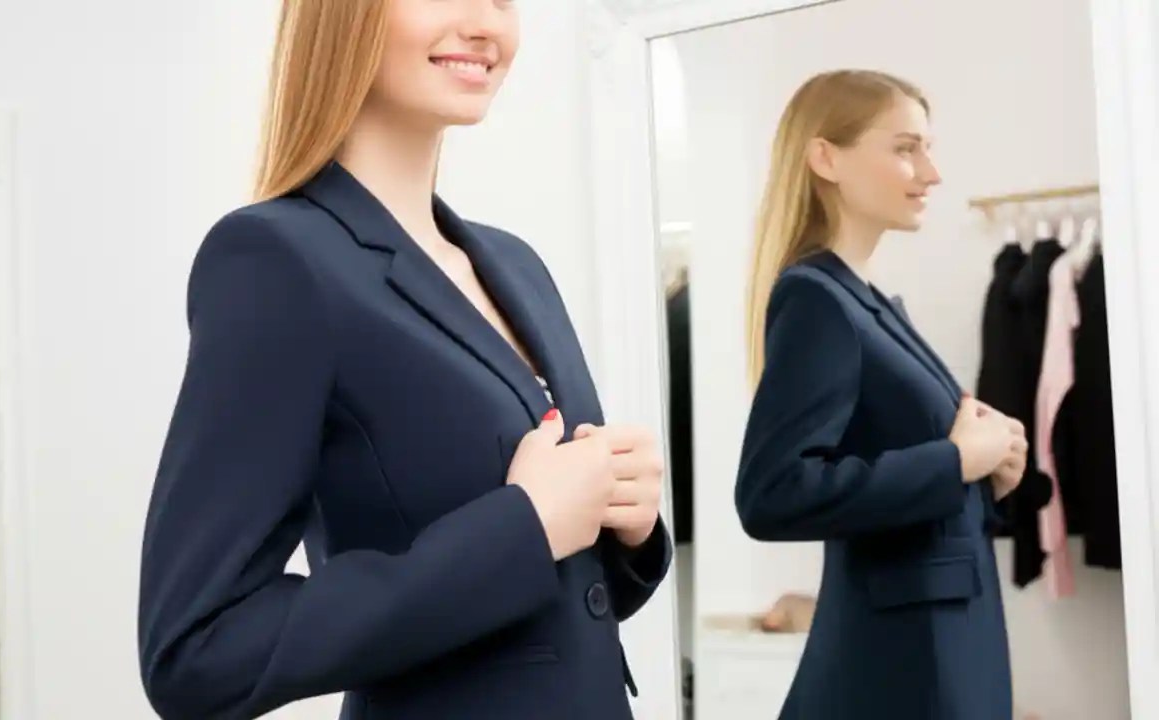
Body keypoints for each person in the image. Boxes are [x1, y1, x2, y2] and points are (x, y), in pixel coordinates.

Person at [136, 2, 672, 719]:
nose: (486, 24)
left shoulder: (516, 264)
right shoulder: (276, 259)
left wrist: (626, 526)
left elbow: (547, 613)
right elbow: (196, 650)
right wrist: (526, 525)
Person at [735, 70, 1026, 719]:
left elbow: (907, 486)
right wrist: (957, 462)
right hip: (903, 662)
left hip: (946, 643)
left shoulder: (867, 304)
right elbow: (772, 494)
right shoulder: (816, 301)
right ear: (825, 158)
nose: (932, 170)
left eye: (927, 147)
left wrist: (990, 476)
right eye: (905, 147)